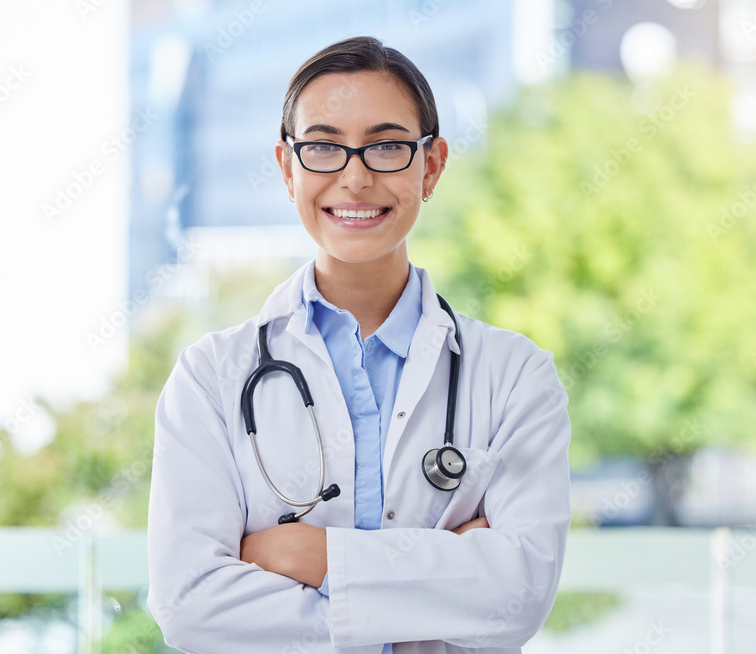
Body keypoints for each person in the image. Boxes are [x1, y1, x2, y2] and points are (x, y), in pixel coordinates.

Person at [146, 35, 571, 653]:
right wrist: (439, 584)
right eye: (322, 147)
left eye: (387, 146)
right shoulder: (211, 377)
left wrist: (308, 556)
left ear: (431, 166)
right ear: (287, 168)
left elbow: (519, 594)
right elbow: (189, 607)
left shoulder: (514, 375)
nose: (355, 177)